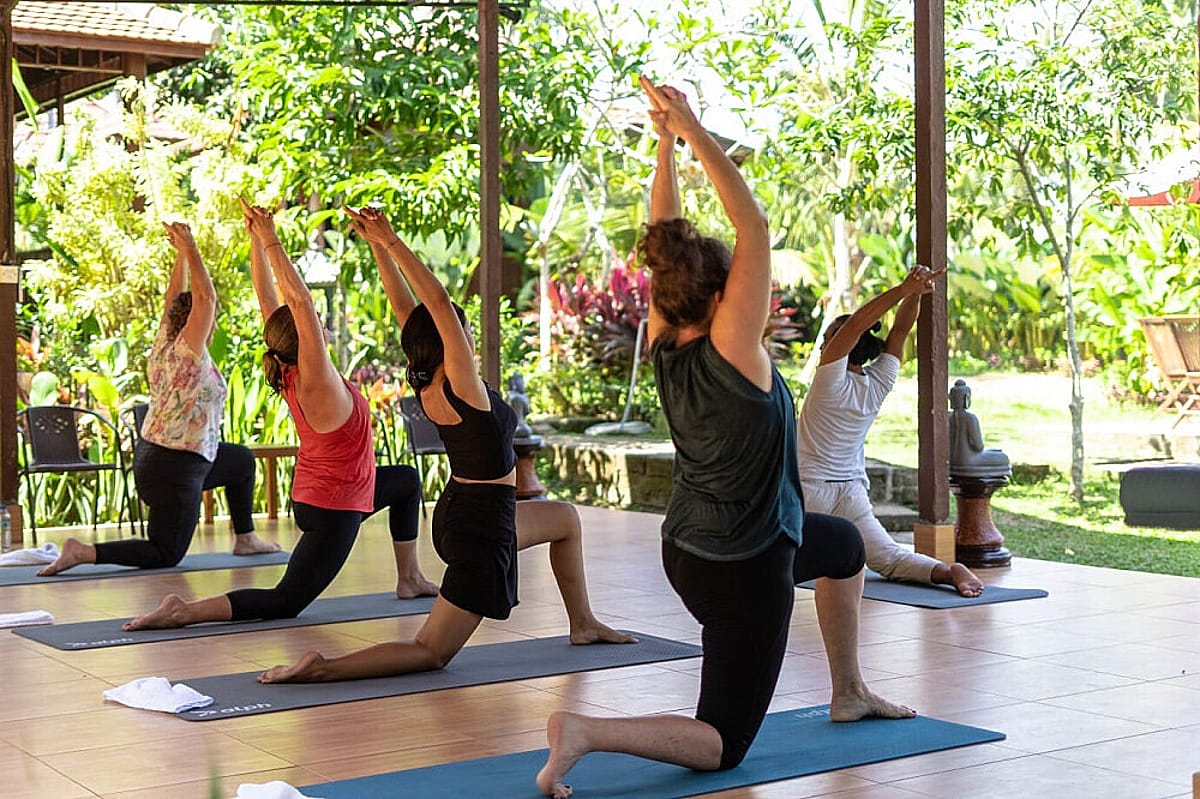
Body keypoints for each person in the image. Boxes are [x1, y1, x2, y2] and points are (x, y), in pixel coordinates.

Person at [534, 78, 914, 799]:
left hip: (690, 546)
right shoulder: (733, 351)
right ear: (721, 299)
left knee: (842, 547)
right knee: (722, 745)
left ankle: (849, 689)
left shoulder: (664, 339)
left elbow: (664, 240)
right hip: (743, 567)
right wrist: (693, 129)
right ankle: (584, 731)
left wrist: (664, 144)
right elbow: (754, 227)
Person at [254, 203, 633, 684]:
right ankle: (323, 667)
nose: (466, 332)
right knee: (430, 652)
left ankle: (583, 623)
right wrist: (390, 240)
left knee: (564, 519)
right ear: (451, 340)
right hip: (480, 526)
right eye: (461, 327)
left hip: (468, 510)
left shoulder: (428, 381)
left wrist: (379, 249)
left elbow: (410, 311)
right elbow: (433, 303)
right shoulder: (462, 385)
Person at [121, 201, 436, 631]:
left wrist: (255, 238)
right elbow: (299, 303)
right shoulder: (316, 380)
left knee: (405, 482)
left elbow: (269, 300)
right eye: (316, 321)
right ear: (307, 336)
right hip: (333, 508)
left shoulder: (288, 367)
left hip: (333, 492)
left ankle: (410, 578)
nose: (320, 321)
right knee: (285, 600)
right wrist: (270, 239)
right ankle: (184, 610)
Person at [38, 221, 278, 577]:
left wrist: (180, 255)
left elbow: (172, 298)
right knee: (165, 552)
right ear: (197, 321)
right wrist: (191, 248)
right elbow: (205, 299)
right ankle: (83, 552)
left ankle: (246, 538)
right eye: (210, 319)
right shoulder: (188, 353)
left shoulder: (165, 341)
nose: (213, 323)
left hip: (168, 457)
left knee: (240, 461)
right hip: (175, 467)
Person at [797, 273, 984, 597]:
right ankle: (947, 571)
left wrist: (904, 289)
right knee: (890, 559)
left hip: (808, 493)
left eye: (828, 339)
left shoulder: (829, 381)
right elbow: (900, 331)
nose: (824, 345)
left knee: (771, 551)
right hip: (852, 493)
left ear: (839, 345)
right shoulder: (878, 382)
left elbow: (856, 325)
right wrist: (916, 293)